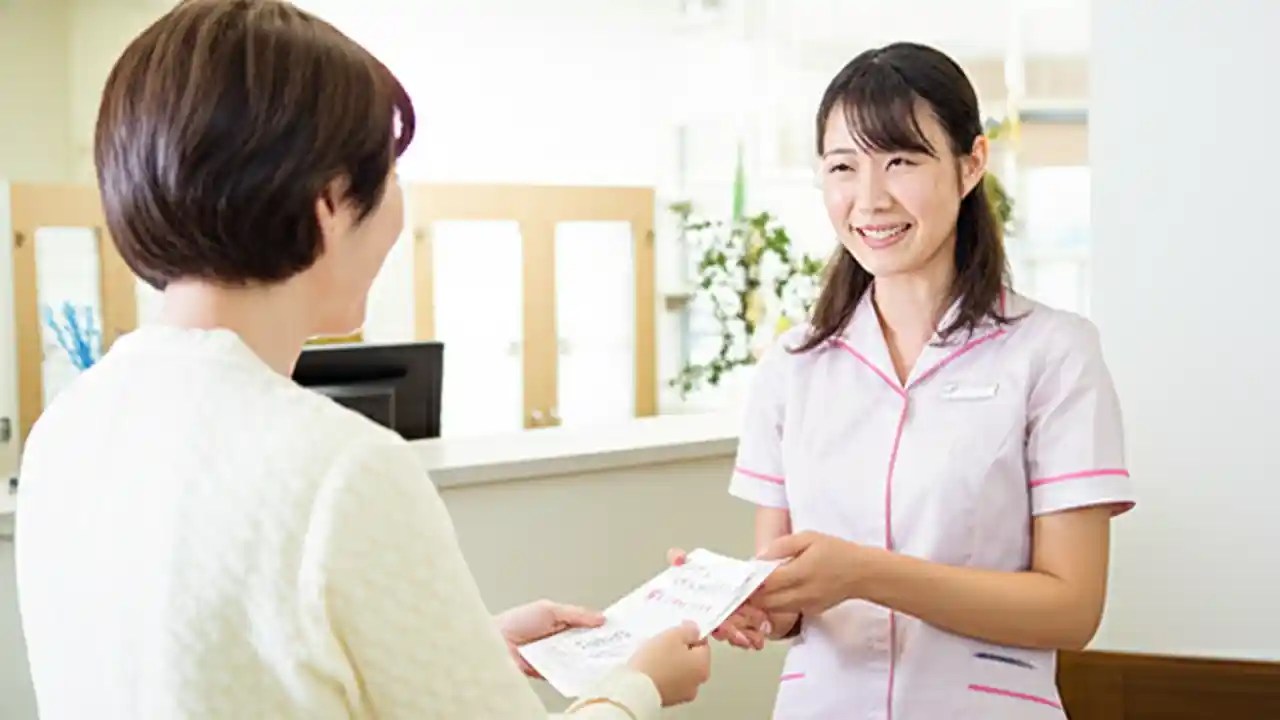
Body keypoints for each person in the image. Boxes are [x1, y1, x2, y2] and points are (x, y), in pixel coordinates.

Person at [14, 1, 710, 718]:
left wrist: (459, 651)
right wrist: (637, 686)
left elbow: (218, 668)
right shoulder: (342, 469)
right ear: (330, 204)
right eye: (390, 173)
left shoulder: (67, 430)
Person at [670, 42, 1135, 719]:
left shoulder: (1053, 354)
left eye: (901, 161)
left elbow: (1071, 608)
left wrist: (864, 573)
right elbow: (793, 604)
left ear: (971, 164)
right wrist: (748, 600)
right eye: (842, 167)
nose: (870, 198)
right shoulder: (792, 368)